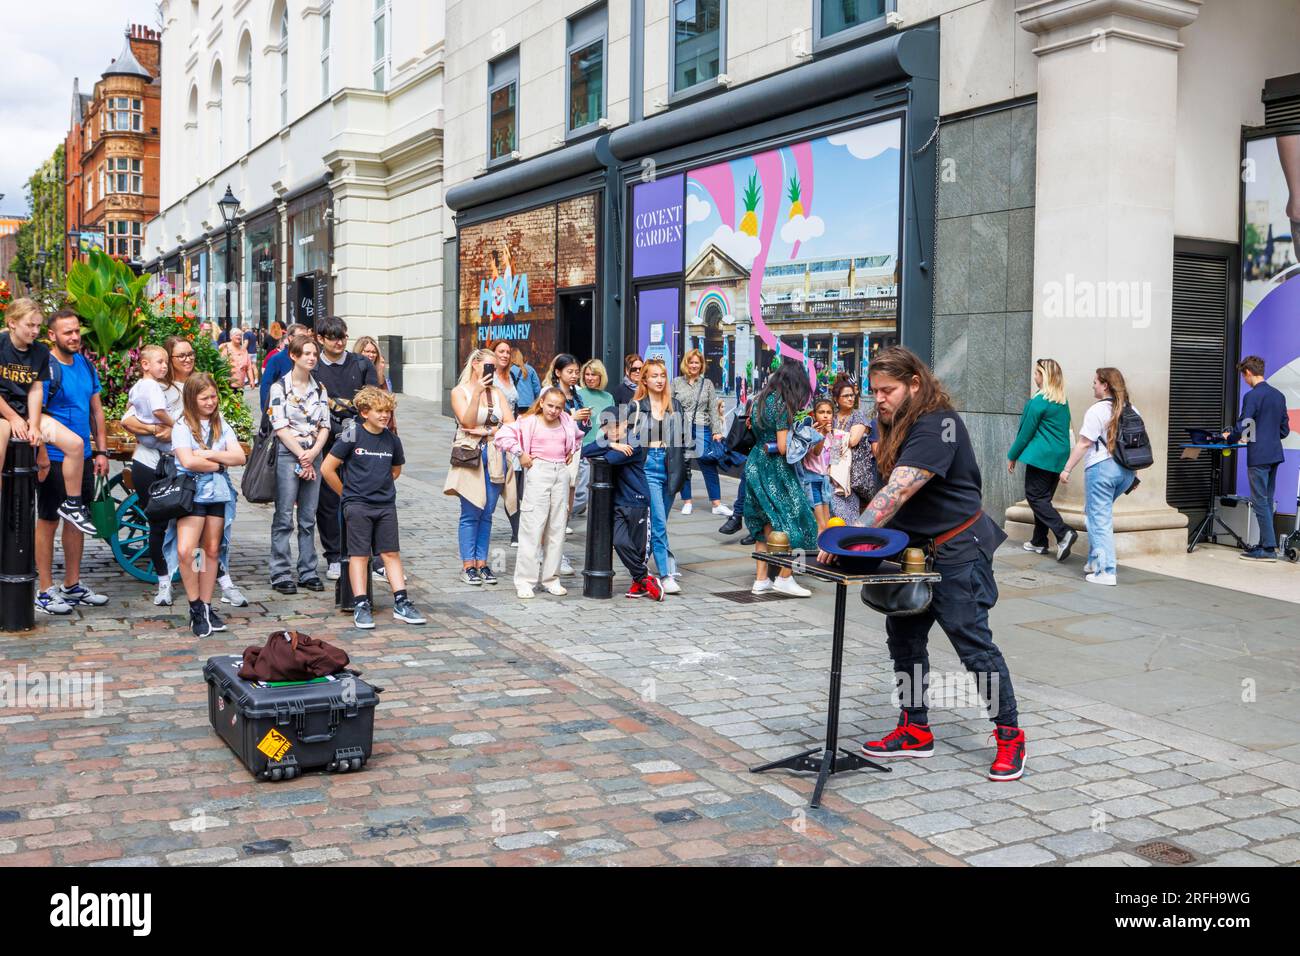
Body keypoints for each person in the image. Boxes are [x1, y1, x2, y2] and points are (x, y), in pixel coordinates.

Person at [827, 346, 1024, 782]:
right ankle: (915, 729)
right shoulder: (894, 423)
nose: (877, 398)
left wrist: (850, 537)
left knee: (973, 646)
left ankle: (1010, 735)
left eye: (888, 390)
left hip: (957, 549)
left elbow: (896, 492)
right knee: (905, 642)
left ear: (915, 384)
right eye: (874, 390)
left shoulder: (941, 425)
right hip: (911, 551)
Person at [321, 387, 425, 629]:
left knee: (390, 553)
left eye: (388, 411)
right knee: (360, 555)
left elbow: (396, 469)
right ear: (365, 412)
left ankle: (402, 601)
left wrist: (380, 484)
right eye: (380, 411)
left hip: (385, 505)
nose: (385, 416)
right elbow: (327, 469)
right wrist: (347, 495)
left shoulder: (392, 440)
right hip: (357, 506)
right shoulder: (351, 435)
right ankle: (361, 603)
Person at [33, 310, 111, 614]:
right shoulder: (47, 368)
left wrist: (101, 451)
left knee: (77, 518)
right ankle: (45, 590)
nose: (75, 337)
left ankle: (73, 584)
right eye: (67, 332)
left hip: (83, 457)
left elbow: (97, 411)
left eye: (77, 331)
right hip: (53, 457)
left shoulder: (85, 364)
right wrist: (40, 455)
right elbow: (35, 415)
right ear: (52, 335)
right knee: (49, 520)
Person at [0, 299, 98, 536]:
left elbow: (35, 390)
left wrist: (34, 425)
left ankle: (73, 504)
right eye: (29, 326)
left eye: (37, 326)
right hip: (3, 413)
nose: (35, 331)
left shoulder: (40, 352)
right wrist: (13, 418)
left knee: (74, 444)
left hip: (28, 413)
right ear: (12, 323)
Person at [172, 373, 246, 638]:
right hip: (192, 494)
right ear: (192, 399)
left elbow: (239, 456)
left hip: (216, 493)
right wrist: (220, 464)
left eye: (213, 396)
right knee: (187, 551)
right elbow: (188, 461)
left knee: (211, 550)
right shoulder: (182, 426)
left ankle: (205, 605)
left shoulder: (220, 424)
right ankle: (194, 605)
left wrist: (211, 454)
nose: (211, 402)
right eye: (205, 398)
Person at [494, 386, 582, 599]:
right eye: (550, 405)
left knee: (557, 527)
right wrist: (520, 453)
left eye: (558, 407)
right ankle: (525, 580)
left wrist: (571, 450)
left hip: (560, 471)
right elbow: (502, 435)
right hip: (538, 469)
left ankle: (551, 578)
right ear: (541, 402)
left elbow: (578, 436)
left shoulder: (567, 422)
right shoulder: (528, 421)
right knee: (532, 527)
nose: (553, 410)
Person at [311, 316, 379, 580]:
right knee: (328, 501)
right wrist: (347, 404)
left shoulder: (360, 363)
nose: (339, 342)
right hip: (325, 441)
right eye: (333, 338)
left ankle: (362, 553)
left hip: (359, 440)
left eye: (343, 337)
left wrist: (336, 403)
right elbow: (314, 401)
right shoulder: (315, 366)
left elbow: (371, 400)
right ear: (321, 339)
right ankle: (334, 555)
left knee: (360, 499)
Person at [743, 358, 816, 597]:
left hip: (754, 463)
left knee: (764, 522)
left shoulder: (759, 401)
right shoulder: (783, 406)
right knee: (795, 520)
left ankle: (761, 579)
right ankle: (785, 576)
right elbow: (784, 447)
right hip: (775, 467)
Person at [1060, 367, 1139, 586]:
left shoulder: (1097, 411)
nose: (1092, 385)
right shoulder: (1132, 409)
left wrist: (1067, 469)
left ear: (1105, 385)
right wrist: (1134, 474)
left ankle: (1106, 570)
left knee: (1099, 519)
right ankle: (1095, 561)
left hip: (1102, 469)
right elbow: (1137, 445)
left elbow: (1084, 443)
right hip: (1125, 472)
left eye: (1095, 381)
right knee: (1094, 514)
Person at [443, 348, 516, 584]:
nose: (492, 371)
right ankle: (468, 565)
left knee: (487, 513)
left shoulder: (497, 393)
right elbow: (466, 420)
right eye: (489, 366)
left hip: (495, 456)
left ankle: (482, 563)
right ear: (475, 365)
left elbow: (512, 425)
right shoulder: (460, 392)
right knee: (471, 511)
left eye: (494, 368)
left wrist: (487, 431)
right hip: (470, 456)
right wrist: (477, 393)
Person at [267, 336, 331, 594]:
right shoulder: (279, 388)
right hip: (288, 453)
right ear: (293, 356)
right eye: (306, 353)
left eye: (314, 353)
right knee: (283, 516)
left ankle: (308, 571)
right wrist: (302, 455)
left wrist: (313, 452)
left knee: (308, 517)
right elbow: (279, 426)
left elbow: (325, 425)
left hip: (314, 453)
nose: (312, 357)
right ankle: (280, 572)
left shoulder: (320, 389)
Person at [582, 408, 664, 600]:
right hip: (618, 502)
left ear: (626, 424)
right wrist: (612, 443)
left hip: (637, 501)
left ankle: (639, 583)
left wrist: (609, 446)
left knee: (637, 547)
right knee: (619, 541)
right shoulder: (613, 441)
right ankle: (644, 578)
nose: (615, 430)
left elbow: (610, 459)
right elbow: (585, 451)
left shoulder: (634, 442)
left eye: (618, 425)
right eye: (609, 427)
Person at [123, 344, 178, 604]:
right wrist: (168, 427)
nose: (165, 366)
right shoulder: (153, 387)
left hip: (169, 461)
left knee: (169, 524)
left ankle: (175, 577)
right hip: (152, 461)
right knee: (158, 525)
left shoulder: (139, 387)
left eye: (167, 361)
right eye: (161, 361)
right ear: (145, 364)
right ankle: (164, 581)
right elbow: (129, 419)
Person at [1007, 358, 1076, 561]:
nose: (1034, 377)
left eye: (1037, 373)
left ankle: (1064, 533)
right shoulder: (1062, 402)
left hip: (1041, 457)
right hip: (1058, 457)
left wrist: (1012, 456)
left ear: (1044, 377)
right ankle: (1039, 541)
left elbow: (1025, 434)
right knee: (1043, 499)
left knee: (1035, 498)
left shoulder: (1038, 402)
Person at [1225, 355, 1290, 561]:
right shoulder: (1278, 395)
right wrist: (1264, 435)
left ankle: (1268, 549)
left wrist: (1231, 437)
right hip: (1274, 454)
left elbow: (1244, 424)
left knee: (1260, 500)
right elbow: (1284, 430)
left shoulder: (1252, 396)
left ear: (1249, 373)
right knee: (1267, 500)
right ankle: (1264, 543)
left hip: (1259, 456)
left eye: (1244, 376)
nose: (1244, 380)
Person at [633, 357, 688, 594]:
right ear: (644, 379)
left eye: (662, 375)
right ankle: (665, 574)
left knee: (660, 522)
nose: (659, 380)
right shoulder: (637, 406)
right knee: (658, 523)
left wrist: (684, 474)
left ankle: (641, 568)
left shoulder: (674, 405)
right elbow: (628, 439)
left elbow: (684, 443)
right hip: (649, 467)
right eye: (654, 375)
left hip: (670, 465)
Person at [542, 353, 591, 568]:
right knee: (554, 505)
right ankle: (549, 553)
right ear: (558, 372)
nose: (574, 376)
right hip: (554, 453)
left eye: (576, 372)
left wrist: (584, 418)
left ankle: (556, 551)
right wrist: (573, 417)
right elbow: (545, 421)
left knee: (566, 508)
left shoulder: (576, 393)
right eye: (570, 372)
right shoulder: (549, 394)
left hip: (574, 452)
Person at [671, 349, 729, 516]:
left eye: (697, 362)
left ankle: (716, 503)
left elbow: (712, 408)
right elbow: (669, 405)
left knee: (708, 462)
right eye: (691, 362)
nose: (694, 365)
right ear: (686, 364)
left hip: (702, 427)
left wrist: (716, 431)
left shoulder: (708, 384)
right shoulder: (676, 382)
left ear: (701, 365)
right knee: (684, 464)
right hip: (681, 428)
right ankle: (687, 501)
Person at [824, 375, 876, 526]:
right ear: (836, 399)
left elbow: (853, 441)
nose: (850, 399)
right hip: (833, 473)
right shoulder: (832, 417)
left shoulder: (858, 416)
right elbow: (832, 448)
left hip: (852, 476)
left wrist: (831, 433)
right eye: (846, 396)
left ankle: (849, 545)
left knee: (848, 516)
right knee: (833, 515)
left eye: (852, 395)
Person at [489, 339, 524, 546]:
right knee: (498, 483)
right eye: (500, 351)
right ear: (492, 354)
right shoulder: (489, 377)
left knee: (515, 485)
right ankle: (484, 522)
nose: (505, 355)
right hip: (495, 434)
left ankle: (517, 532)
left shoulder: (511, 375)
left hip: (512, 433)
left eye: (508, 352)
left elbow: (515, 406)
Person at [794, 397, 835, 532]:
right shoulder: (810, 432)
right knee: (820, 524)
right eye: (821, 412)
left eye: (829, 412)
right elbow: (817, 452)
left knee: (828, 522)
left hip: (824, 480)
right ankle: (818, 552)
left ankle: (826, 551)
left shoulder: (832, 433)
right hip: (811, 481)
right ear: (814, 414)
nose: (825, 415)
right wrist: (822, 434)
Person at [509, 347, 542, 413]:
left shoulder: (510, 370)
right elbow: (537, 388)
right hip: (530, 404)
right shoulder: (530, 369)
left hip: (516, 404)